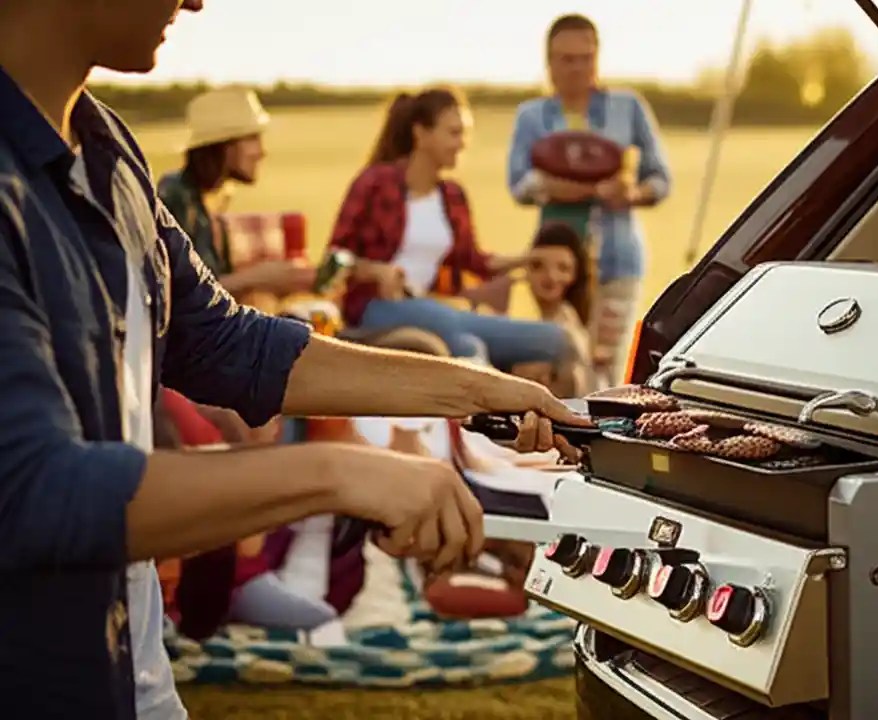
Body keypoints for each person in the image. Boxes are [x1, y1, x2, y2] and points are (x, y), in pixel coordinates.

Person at [0, 3, 586, 719]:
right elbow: (30, 491)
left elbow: (226, 343)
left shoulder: (108, 150)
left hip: (130, 672)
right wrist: (341, 474)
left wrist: (474, 388)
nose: (194, 1)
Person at [329, 87, 572, 371]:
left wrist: (527, 258)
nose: (463, 143)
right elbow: (333, 258)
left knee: (554, 340)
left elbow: (474, 260)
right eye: (454, 133)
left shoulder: (452, 196)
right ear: (421, 134)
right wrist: (375, 271)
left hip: (432, 309)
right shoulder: (375, 183)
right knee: (454, 326)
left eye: (464, 133)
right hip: (375, 310)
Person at [506, 13, 673, 386]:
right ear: (549, 62)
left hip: (617, 256)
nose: (577, 68)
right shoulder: (531, 116)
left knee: (606, 365)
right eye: (567, 59)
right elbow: (518, 183)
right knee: (561, 359)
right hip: (557, 266)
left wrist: (631, 193)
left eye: (586, 58)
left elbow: (660, 178)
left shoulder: (627, 107)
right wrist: (559, 187)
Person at [157, 86, 315, 303]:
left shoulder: (212, 198)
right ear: (223, 146)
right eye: (252, 139)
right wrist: (259, 277)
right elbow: (182, 294)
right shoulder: (176, 196)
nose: (262, 152)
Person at [509, 221, 596, 397]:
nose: (551, 277)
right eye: (538, 266)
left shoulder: (568, 325)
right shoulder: (517, 309)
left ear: (575, 275)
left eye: (563, 268)